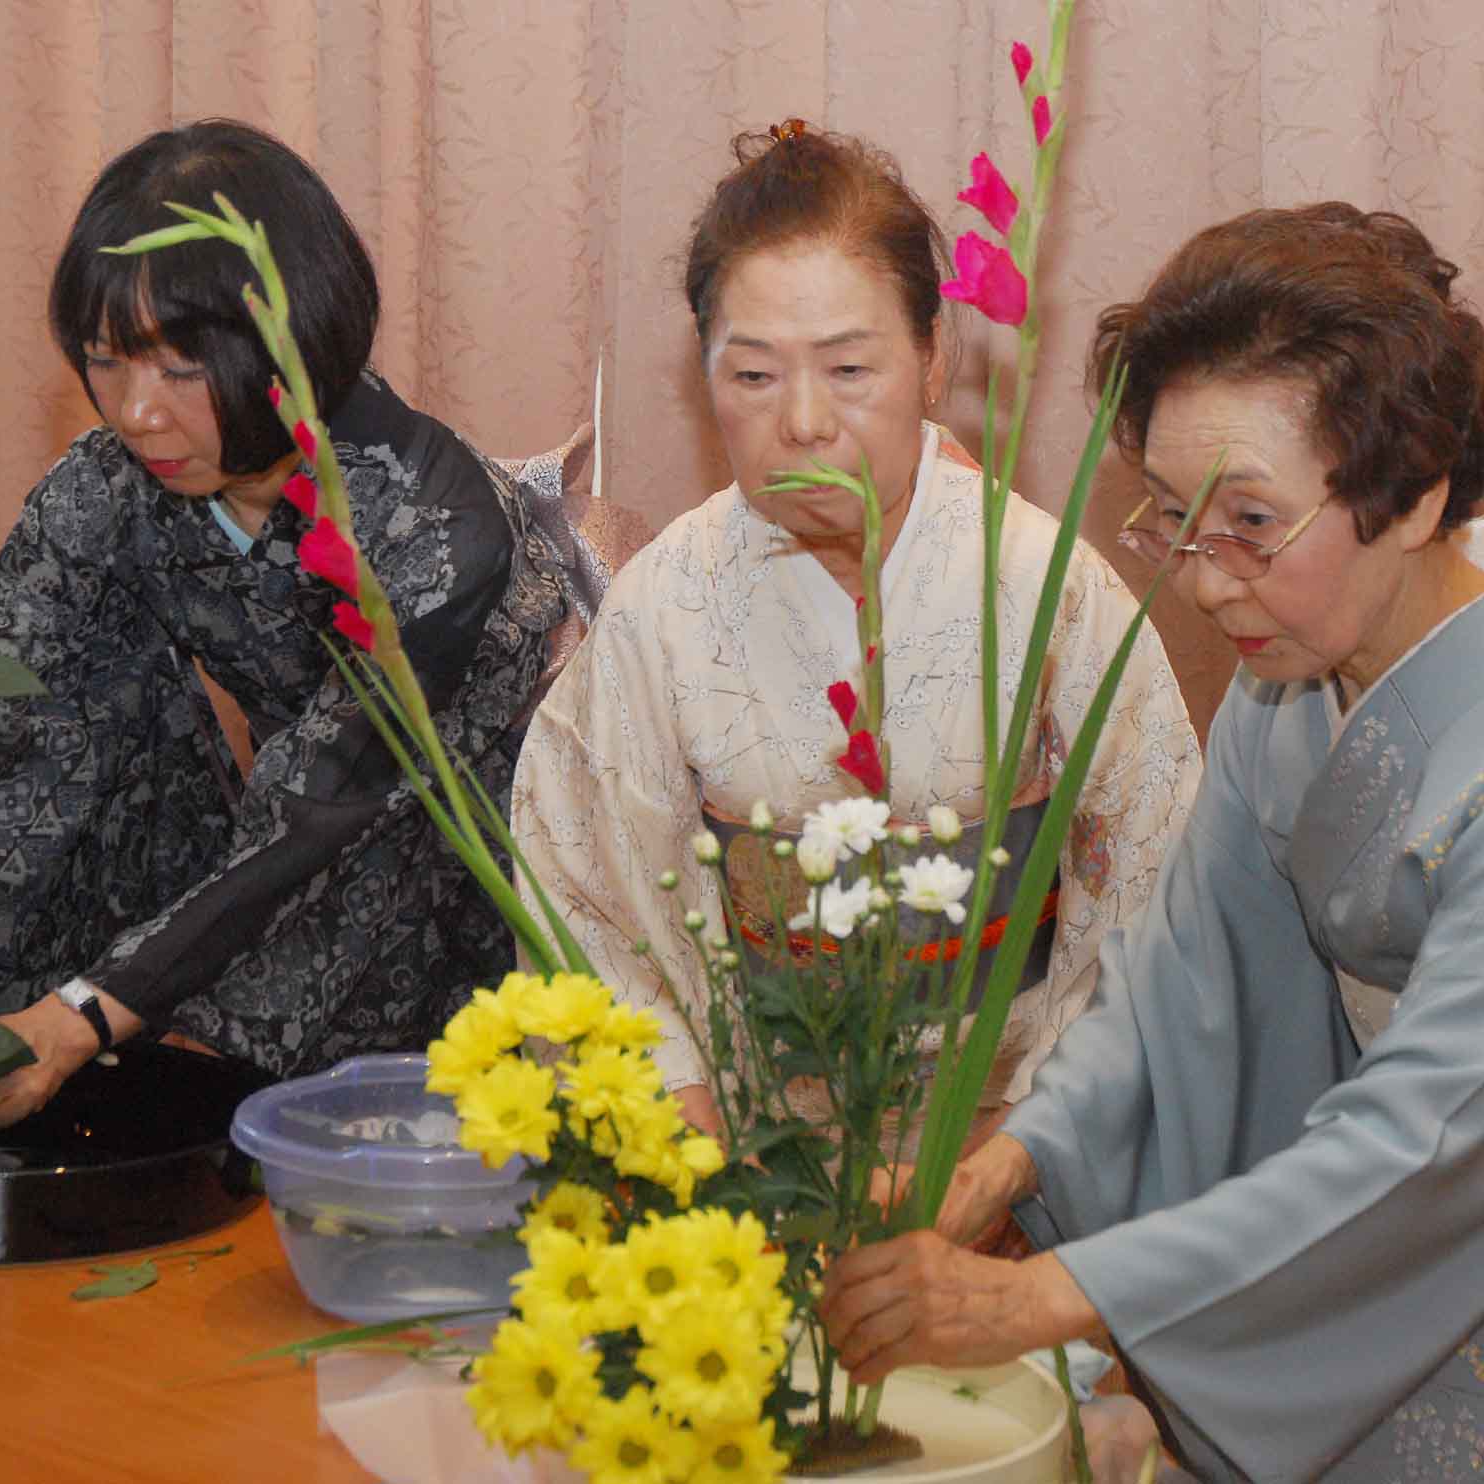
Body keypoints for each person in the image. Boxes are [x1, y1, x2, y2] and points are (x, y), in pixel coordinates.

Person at [818, 203, 1484, 1481]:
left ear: (1415, 494)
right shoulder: (1293, 676)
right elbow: (1187, 976)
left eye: (1249, 520)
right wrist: (1011, 1158)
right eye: (1173, 514)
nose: (1203, 576)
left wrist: (1042, 1298)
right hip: (1427, 1207)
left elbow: (1431, 1138)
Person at [0, 119, 568, 1121]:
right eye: (108, 361)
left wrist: (86, 1008)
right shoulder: (109, 485)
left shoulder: (437, 525)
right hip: (268, 832)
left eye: (177, 368)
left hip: (451, 871)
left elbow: (323, 805)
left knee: (228, 1042)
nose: (134, 412)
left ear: (290, 339)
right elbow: (2, 684)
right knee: (51, 696)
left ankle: (159, 1056)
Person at [508, 123, 1201, 1148]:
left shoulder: (1047, 591)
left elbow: (1149, 892)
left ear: (931, 360)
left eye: (848, 368)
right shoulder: (665, 612)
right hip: (750, 1149)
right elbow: (595, 912)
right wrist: (699, 1146)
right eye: (752, 376)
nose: (801, 422)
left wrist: (1012, 1155)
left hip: (1015, 1139)